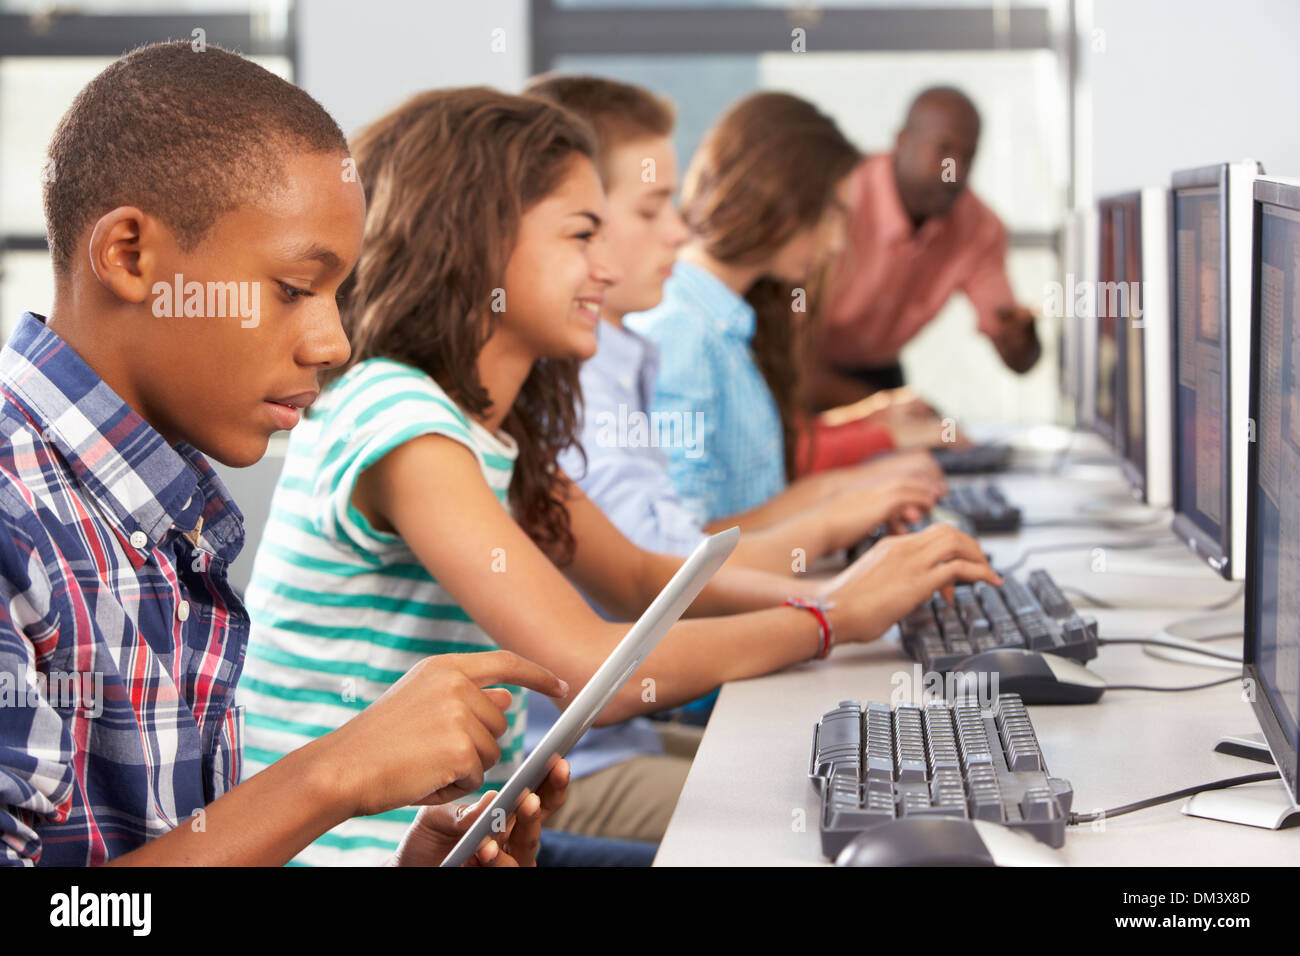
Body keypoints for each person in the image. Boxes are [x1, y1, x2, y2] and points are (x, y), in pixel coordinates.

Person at [239, 86, 1003, 863]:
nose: (607, 268)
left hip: (472, 839)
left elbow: (640, 578)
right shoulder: (400, 420)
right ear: (477, 240)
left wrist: (846, 594)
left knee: (814, 804)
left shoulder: (495, 429)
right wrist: (830, 618)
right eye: (583, 235)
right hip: (366, 853)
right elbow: (586, 670)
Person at [0, 42, 567, 867]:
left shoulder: (162, 509)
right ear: (129, 255)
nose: (333, 343)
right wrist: (333, 774)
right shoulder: (14, 516)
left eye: (335, 296)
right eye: (294, 289)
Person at [807, 85, 1042, 411]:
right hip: (803, 367)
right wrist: (888, 408)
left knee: (933, 437)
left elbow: (1019, 358)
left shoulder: (980, 227)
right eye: (944, 150)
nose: (955, 172)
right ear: (902, 140)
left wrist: (1020, 341)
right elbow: (782, 359)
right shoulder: (839, 195)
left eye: (968, 156)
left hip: (879, 371)